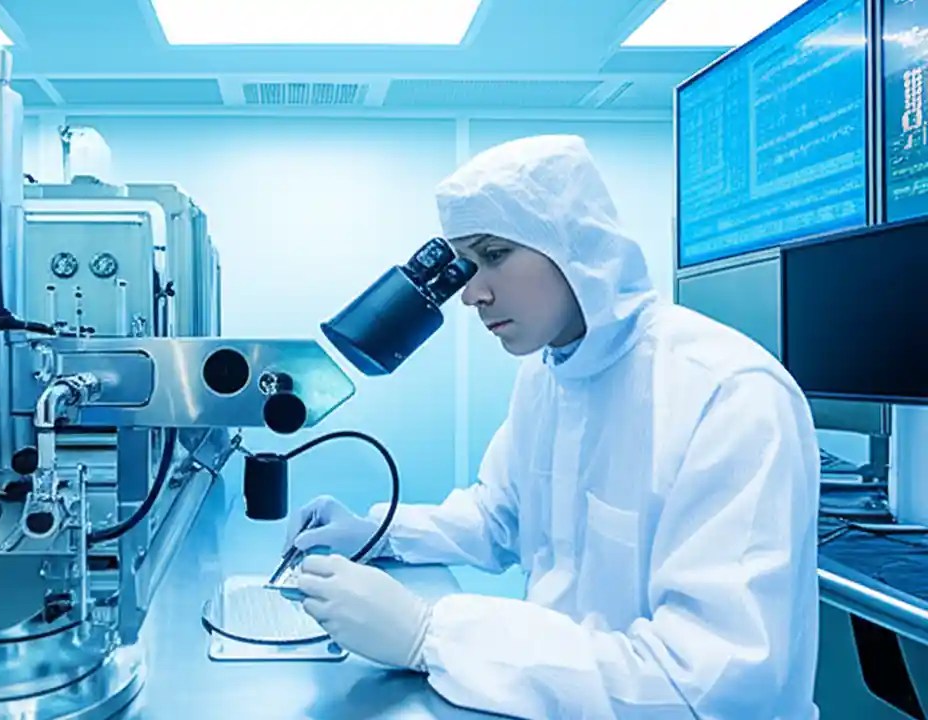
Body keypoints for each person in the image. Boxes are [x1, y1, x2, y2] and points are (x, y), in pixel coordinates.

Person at [285, 134, 820, 719]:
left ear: (573, 245)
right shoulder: (550, 375)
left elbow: (709, 686)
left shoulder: (727, 393)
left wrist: (430, 634)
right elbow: (498, 518)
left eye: (494, 254)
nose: (473, 294)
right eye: (465, 265)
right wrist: (377, 533)